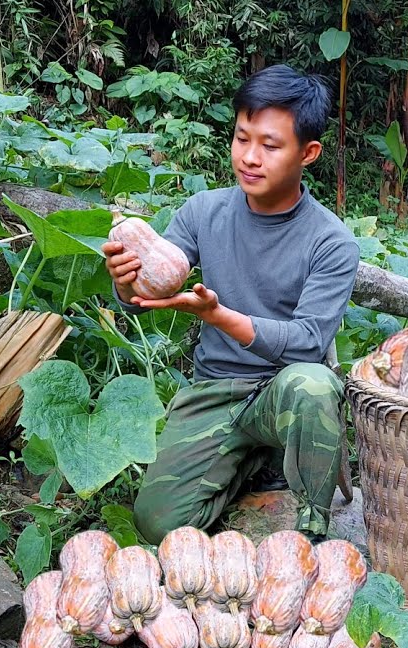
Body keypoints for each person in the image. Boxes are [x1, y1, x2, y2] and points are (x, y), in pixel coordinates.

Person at [102, 64, 360, 546]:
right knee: (157, 522)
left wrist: (218, 315)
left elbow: (308, 343)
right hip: (216, 391)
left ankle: (311, 534)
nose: (250, 157)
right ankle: (250, 462)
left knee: (314, 382)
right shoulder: (204, 212)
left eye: (270, 145)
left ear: (309, 153)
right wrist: (126, 283)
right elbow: (149, 292)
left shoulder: (331, 241)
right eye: (242, 139)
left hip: (284, 392)